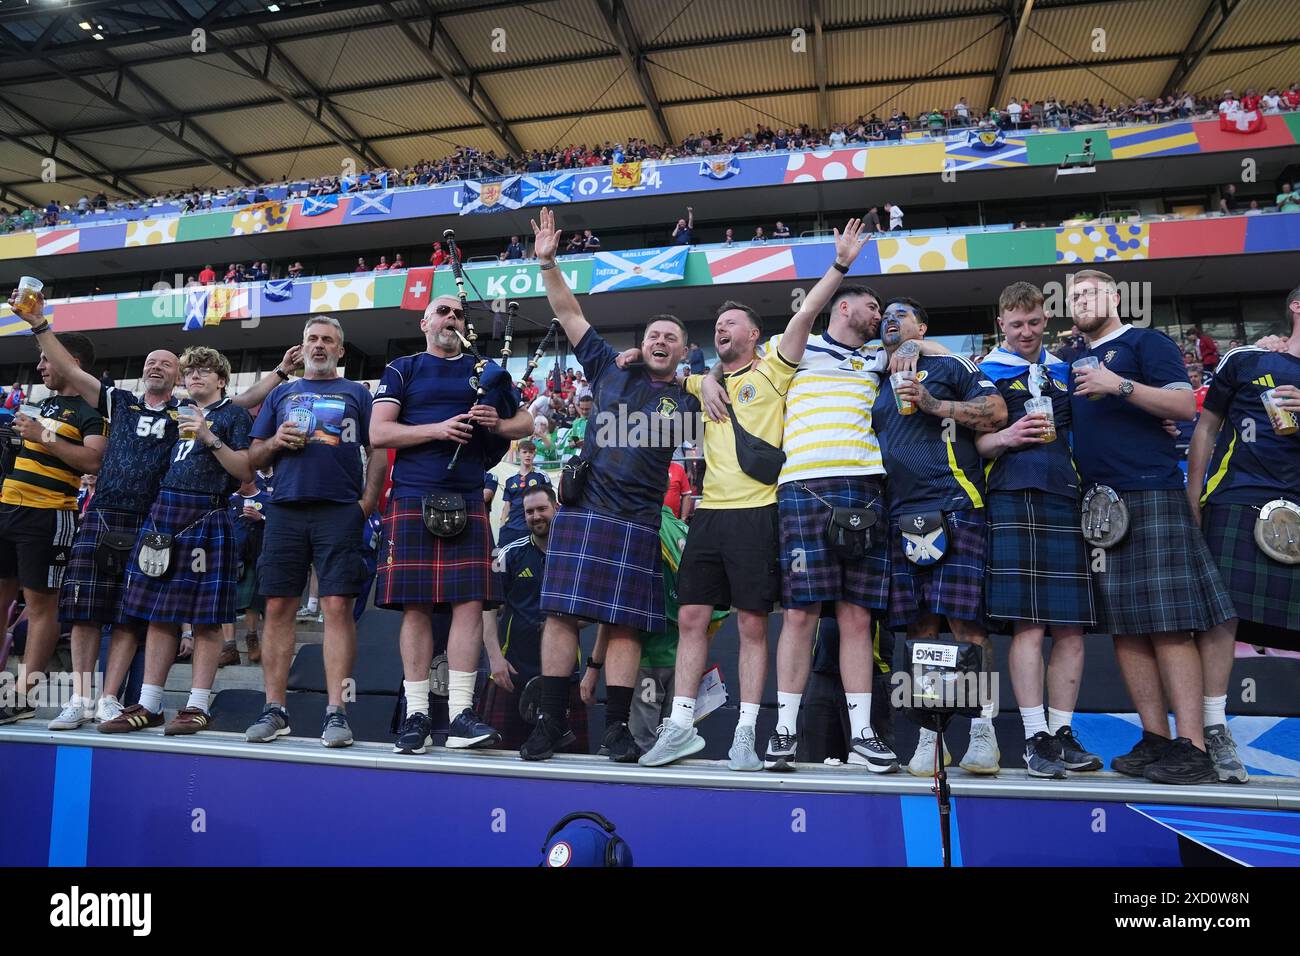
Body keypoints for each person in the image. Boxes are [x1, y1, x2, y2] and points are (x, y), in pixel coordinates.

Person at [638, 219, 871, 771]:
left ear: (753, 337)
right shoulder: (702, 381)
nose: (721, 328)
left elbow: (807, 314)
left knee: (749, 625)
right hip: (709, 517)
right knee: (691, 618)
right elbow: (663, 368)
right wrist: (636, 356)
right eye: (717, 324)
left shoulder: (774, 369)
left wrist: (839, 265)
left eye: (731, 323)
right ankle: (679, 726)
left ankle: (746, 731)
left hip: (759, 513)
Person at [521, 206, 700, 762]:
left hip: (640, 519)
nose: (660, 340)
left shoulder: (691, 397)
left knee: (626, 625)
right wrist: (549, 262)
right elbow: (569, 313)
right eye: (653, 334)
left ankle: (617, 729)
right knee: (561, 616)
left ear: (684, 351)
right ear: (642, 343)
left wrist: (698, 376)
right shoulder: (608, 365)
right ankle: (552, 725)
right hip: (586, 509)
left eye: (671, 337)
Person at [1068, 269, 1235, 785]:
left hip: (1151, 491)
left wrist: (1117, 385)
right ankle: (1155, 738)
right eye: (1073, 295)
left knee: (1168, 623)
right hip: (1100, 504)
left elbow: (1184, 406)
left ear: (1115, 298)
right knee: (1126, 628)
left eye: (1089, 292)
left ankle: (1193, 743)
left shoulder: (1147, 341)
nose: (1080, 300)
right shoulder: (1071, 360)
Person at [371, 295, 533, 754]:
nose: (450, 318)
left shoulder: (485, 370)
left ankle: (462, 713)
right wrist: (438, 430)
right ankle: (417, 714)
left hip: (467, 495)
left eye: (458, 314)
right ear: (425, 321)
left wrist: (497, 423)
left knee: (468, 604)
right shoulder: (403, 368)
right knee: (417, 606)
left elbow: (524, 422)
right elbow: (379, 433)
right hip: (413, 494)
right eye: (442, 312)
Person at [872, 298, 1008, 776]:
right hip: (897, 514)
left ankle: (983, 732)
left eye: (902, 314)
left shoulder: (950, 362)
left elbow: (996, 411)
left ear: (923, 326)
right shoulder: (872, 376)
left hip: (955, 505)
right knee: (919, 632)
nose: (891, 319)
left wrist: (934, 404)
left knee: (965, 626)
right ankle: (932, 737)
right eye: (885, 315)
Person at [243, 317, 387, 748]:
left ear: (341, 351)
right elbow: (254, 455)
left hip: (341, 510)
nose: (319, 345)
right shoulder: (282, 393)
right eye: (312, 339)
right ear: (302, 347)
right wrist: (274, 443)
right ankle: (275, 709)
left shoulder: (358, 393)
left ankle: (336, 712)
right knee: (278, 606)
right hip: (285, 508)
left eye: (328, 340)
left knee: (338, 607)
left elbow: (377, 451)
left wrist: (367, 503)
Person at [977, 282, 1101, 778]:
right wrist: (1004, 436)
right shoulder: (983, 372)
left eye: (1033, 322)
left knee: (1071, 628)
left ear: (1044, 321)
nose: (1026, 332)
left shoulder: (1066, 371)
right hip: (1010, 496)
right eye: (1016, 324)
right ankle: (1034, 738)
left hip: (1066, 496)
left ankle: (1063, 732)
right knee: (1028, 625)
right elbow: (975, 447)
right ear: (1001, 325)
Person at [99, 347, 254, 736]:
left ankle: (198, 704)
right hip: (164, 513)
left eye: (206, 371)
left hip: (207, 512)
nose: (196, 376)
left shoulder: (233, 415)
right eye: (191, 371)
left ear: (222, 380)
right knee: (158, 611)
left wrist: (208, 437)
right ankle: (150, 704)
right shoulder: (176, 411)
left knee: (205, 617)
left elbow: (245, 469)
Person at [1186, 289, 1300, 781]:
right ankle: (1214, 729)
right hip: (1239, 497)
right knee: (1221, 619)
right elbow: (1207, 427)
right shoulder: (1249, 359)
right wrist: (1193, 497)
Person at [0, 320, 106, 726]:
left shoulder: (92, 412)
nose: (41, 366)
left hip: (49, 514)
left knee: (42, 607)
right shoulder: (36, 405)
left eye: (47, 358)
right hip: (7, 507)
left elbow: (93, 461)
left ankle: (23, 694)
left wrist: (44, 436)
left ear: (70, 362)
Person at [481, 485, 587, 751]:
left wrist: (561, 625)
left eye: (542, 509)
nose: (536, 516)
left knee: (571, 761)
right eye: (530, 511)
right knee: (501, 758)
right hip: (512, 673)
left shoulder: (577, 556)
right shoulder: (507, 554)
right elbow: (487, 610)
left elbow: (592, 613)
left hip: (565, 676)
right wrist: (495, 659)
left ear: (556, 509)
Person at [498, 439, 551, 548]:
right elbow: (506, 507)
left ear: (534, 455)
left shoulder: (541, 476)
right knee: (506, 563)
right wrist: (502, 528)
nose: (528, 455)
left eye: (531, 452)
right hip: (511, 528)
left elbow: (549, 502)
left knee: (529, 563)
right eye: (524, 452)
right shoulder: (510, 480)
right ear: (518, 454)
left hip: (532, 529)